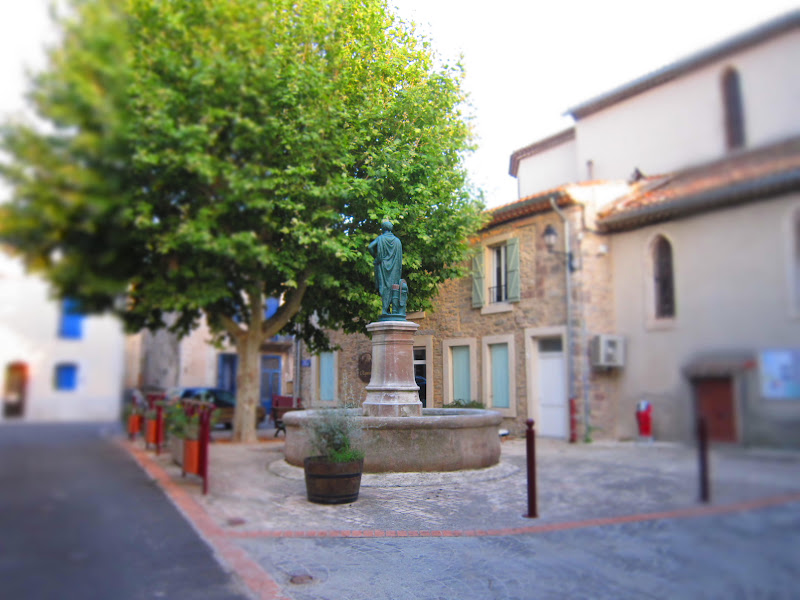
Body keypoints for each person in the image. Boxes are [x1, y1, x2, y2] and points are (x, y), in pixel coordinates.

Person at [368, 221, 403, 317]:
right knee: (393, 287)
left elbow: (370, 247)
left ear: (383, 229)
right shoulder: (397, 241)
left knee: (384, 286)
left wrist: (376, 257)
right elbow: (399, 258)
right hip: (395, 268)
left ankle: (385, 310)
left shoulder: (380, 238)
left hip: (383, 265)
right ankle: (392, 310)